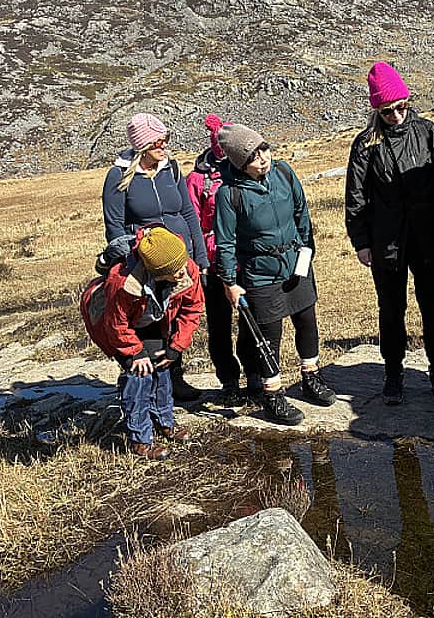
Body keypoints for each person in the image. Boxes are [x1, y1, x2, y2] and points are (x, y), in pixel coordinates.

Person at [345, 62, 434, 405]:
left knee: (433, 306)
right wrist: (361, 242)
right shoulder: (366, 143)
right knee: (391, 309)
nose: (395, 115)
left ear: (409, 101)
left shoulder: (428, 132)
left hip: (428, 237)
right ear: (376, 111)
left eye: (401, 107)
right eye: (387, 110)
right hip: (386, 240)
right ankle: (393, 373)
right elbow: (355, 195)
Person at [213, 123, 336, 426]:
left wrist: (306, 250)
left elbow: (301, 211)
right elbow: (225, 242)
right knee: (269, 336)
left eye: (263, 149)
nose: (263, 159)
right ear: (240, 164)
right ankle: (272, 395)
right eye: (253, 157)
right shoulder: (229, 194)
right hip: (260, 274)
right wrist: (229, 282)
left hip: (295, 263)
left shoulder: (283, 172)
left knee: (306, 321)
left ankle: (311, 377)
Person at [102, 112, 209, 402]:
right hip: (145, 263)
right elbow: (115, 227)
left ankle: (175, 377)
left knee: (177, 314)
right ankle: (145, 381)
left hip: (180, 256)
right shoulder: (118, 176)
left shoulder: (170, 168)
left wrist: (199, 255)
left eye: (166, 139)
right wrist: (132, 262)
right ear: (142, 146)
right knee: (150, 319)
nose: (164, 146)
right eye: (158, 142)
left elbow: (188, 212)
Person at [96, 226, 205, 460]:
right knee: (139, 375)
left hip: (152, 318)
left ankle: (164, 421)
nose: (182, 272)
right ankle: (140, 439)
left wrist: (176, 346)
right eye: (174, 270)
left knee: (162, 365)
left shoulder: (186, 267)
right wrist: (135, 352)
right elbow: (115, 324)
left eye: (182, 264)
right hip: (116, 326)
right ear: (157, 272)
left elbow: (193, 308)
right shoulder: (123, 282)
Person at [187, 114, 260, 407]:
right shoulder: (196, 180)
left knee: (250, 317)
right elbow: (192, 223)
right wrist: (199, 261)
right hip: (213, 262)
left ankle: (254, 372)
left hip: (246, 258)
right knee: (219, 324)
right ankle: (228, 380)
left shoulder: (245, 171)